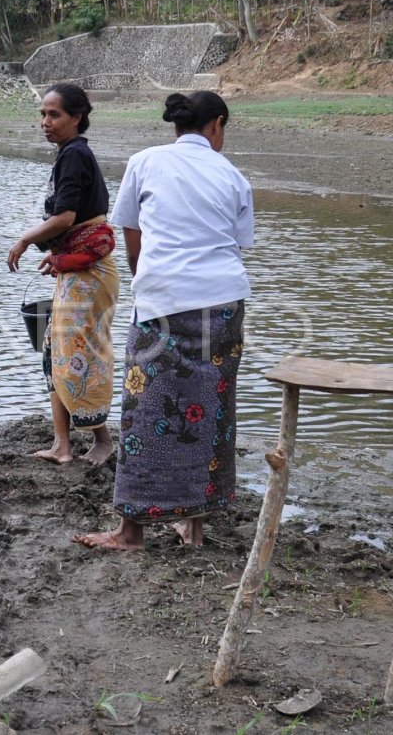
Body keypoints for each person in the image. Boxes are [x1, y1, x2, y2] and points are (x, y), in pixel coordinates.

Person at [73, 90, 254, 550]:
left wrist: (149, 282)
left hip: (163, 303)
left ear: (178, 126)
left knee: (146, 409)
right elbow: (235, 243)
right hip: (224, 303)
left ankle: (130, 531)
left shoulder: (145, 161)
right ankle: (194, 525)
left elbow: (131, 236)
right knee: (210, 411)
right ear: (216, 125)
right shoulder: (232, 175)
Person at [8, 83, 120, 467]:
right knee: (56, 353)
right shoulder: (68, 154)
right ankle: (63, 444)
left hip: (90, 273)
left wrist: (24, 240)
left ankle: (101, 441)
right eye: (42, 114)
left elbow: (66, 217)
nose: (45, 122)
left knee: (78, 354)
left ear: (77, 117)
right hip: (76, 269)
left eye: (54, 114)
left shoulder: (75, 155)